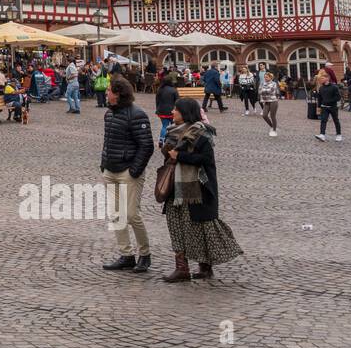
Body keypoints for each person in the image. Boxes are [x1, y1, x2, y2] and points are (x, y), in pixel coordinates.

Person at [158, 98, 244, 282]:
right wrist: (168, 151)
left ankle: (205, 265)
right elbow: (168, 158)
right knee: (175, 224)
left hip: (198, 188)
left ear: (186, 112)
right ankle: (181, 268)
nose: (172, 112)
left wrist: (180, 155)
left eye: (176, 109)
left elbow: (205, 160)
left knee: (199, 227)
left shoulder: (201, 133)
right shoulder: (172, 132)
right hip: (176, 186)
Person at [100, 77, 155, 273]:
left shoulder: (137, 114)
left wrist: (135, 170)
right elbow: (107, 142)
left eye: (109, 91)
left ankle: (145, 253)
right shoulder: (109, 114)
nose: (106, 93)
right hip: (110, 170)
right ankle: (126, 254)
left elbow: (146, 146)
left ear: (118, 94)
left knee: (131, 214)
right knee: (116, 215)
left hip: (129, 172)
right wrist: (103, 164)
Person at [315, 74, 343, 142]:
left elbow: (338, 97)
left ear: (327, 79)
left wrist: (329, 101)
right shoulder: (321, 88)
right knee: (323, 120)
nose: (321, 80)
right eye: (320, 78)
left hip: (333, 107)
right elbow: (320, 98)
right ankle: (322, 135)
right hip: (324, 107)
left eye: (322, 78)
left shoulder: (334, 87)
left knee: (336, 120)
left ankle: (339, 135)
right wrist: (318, 106)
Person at [154, 72, 179, 142]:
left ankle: (161, 140)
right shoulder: (174, 90)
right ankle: (172, 140)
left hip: (161, 110)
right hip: (172, 111)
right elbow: (177, 102)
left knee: (164, 126)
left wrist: (158, 109)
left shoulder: (159, 89)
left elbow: (157, 101)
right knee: (173, 126)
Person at [259, 72, 280, 137]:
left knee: (272, 116)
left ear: (270, 77)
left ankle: (274, 130)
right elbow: (259, 91)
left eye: (267, 77)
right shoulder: (262, 83)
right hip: (266, 101)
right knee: (264, 115)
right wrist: (264, 91)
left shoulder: (274, 83)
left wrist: (264, 90)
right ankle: (272, 126)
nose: (265, 78)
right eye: (264, 77)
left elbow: (271, 91)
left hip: (273, 101)